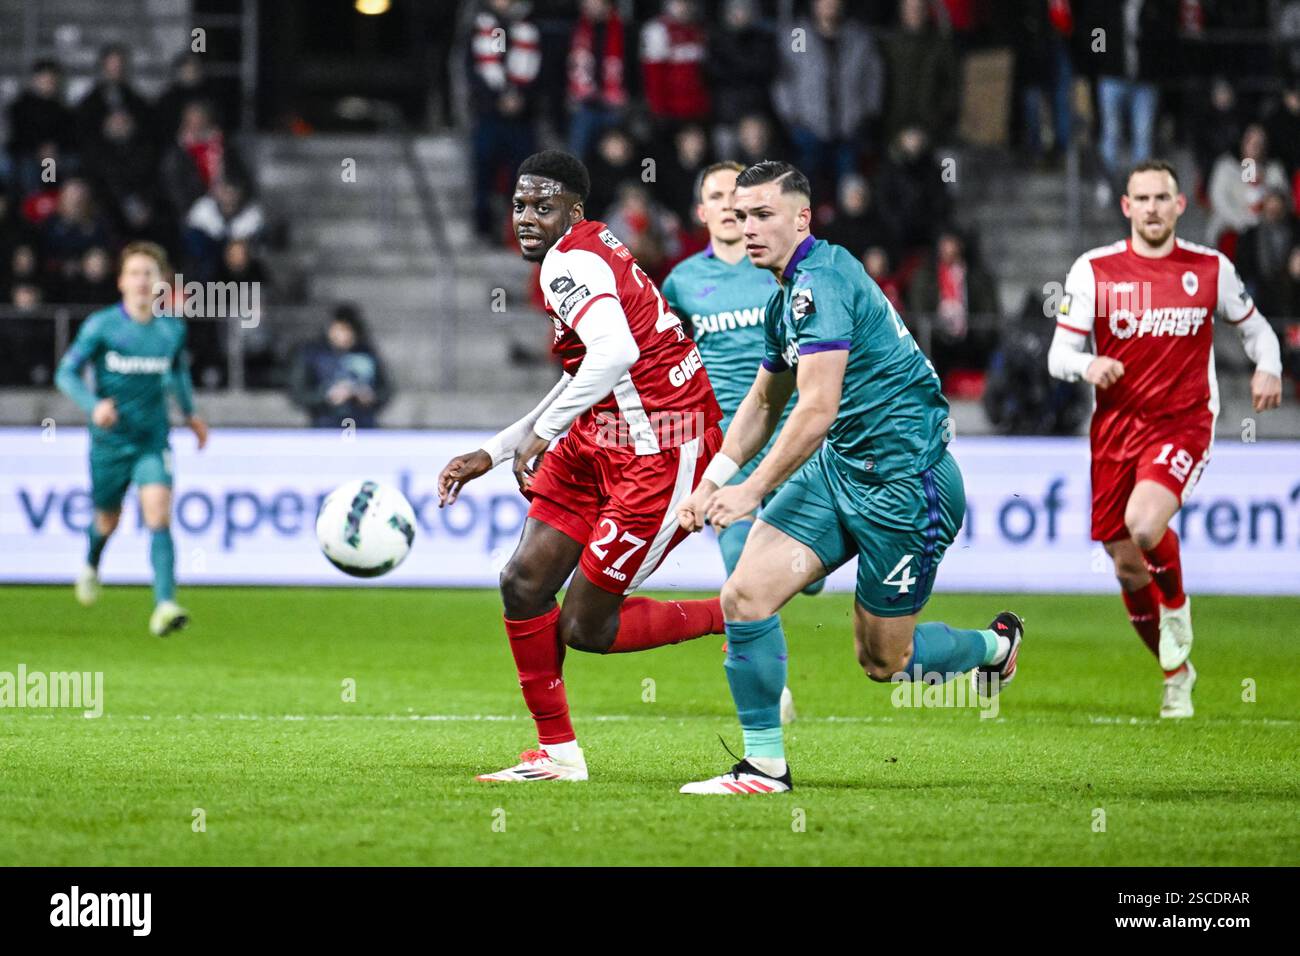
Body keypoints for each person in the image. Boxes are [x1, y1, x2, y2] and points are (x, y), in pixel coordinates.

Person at [674, 161, 1023, 795]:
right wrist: (713, 480)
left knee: (883, 661)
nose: (744, 226)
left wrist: (752, 491)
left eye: (762, 215)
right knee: (744, 596)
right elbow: (761, 403)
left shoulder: (821, 283)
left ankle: (994, 648)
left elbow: (815, 408)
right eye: (740, 215)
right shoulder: (785, 297)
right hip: (838, 473)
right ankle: (763, 768)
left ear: (801, 218)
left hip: (905, 488)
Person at [435, 150, 727, 783]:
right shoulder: (591, 249)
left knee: (585, 627)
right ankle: (557, 755)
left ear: (574, 210)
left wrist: (540, 435)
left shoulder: (569, 261)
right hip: (601, 437)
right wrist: (500, 449)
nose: (528, 219)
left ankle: (733, 609)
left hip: (660, 450)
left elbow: (615, 352)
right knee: (522, 581)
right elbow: (587, 369)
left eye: (544, 206)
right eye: (519, 206)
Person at [1048, 159, 1283, 718]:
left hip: (1182, 423)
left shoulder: (1210, 268)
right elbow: (1060, 354)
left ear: (1181, 205)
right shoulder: (1094, 271)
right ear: (1127, 207)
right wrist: (1087, 368)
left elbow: (1257, 330)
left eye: (1163, 198)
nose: (1153, 208)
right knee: (1127, 564)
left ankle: (1176, 606)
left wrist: (1268, 365)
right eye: (1143, 199)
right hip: (1113, 430)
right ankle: (1176, 672)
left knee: (1145, 523)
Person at [661, 160, 825, 721]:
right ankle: (772, 688)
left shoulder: (775, 268)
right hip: (727, 441)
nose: (729, 203)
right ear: (701, 211)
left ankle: (806, 571)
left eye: (738, 194)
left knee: (795, 570)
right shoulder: (681, 282)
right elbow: (667, 359)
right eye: (716, 194)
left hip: (790, 437)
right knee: (741, 561)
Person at [54, 242, 207, 637]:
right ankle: (91, 562)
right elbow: (65, 373)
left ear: (161, 284)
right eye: (135, 273)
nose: (142, 281)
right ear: (121, 281)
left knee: (158, 514)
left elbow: (178, 374)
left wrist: (190, 415)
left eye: (149, 274)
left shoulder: (171, 329)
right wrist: (93, 405)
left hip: (152, 440)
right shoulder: (102, 326)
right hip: (109, 443)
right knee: (107, 519)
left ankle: (164, 604)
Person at [289, 305, 391, 428]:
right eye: (340, 329)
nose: (344, 335)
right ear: (329, 329)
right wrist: (326, 396)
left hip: (363, 425)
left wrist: (370, 396)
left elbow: (385, 390)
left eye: (349, 330)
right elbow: (299, 392)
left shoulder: (367, 353)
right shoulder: (313, 354)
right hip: (324, 426)